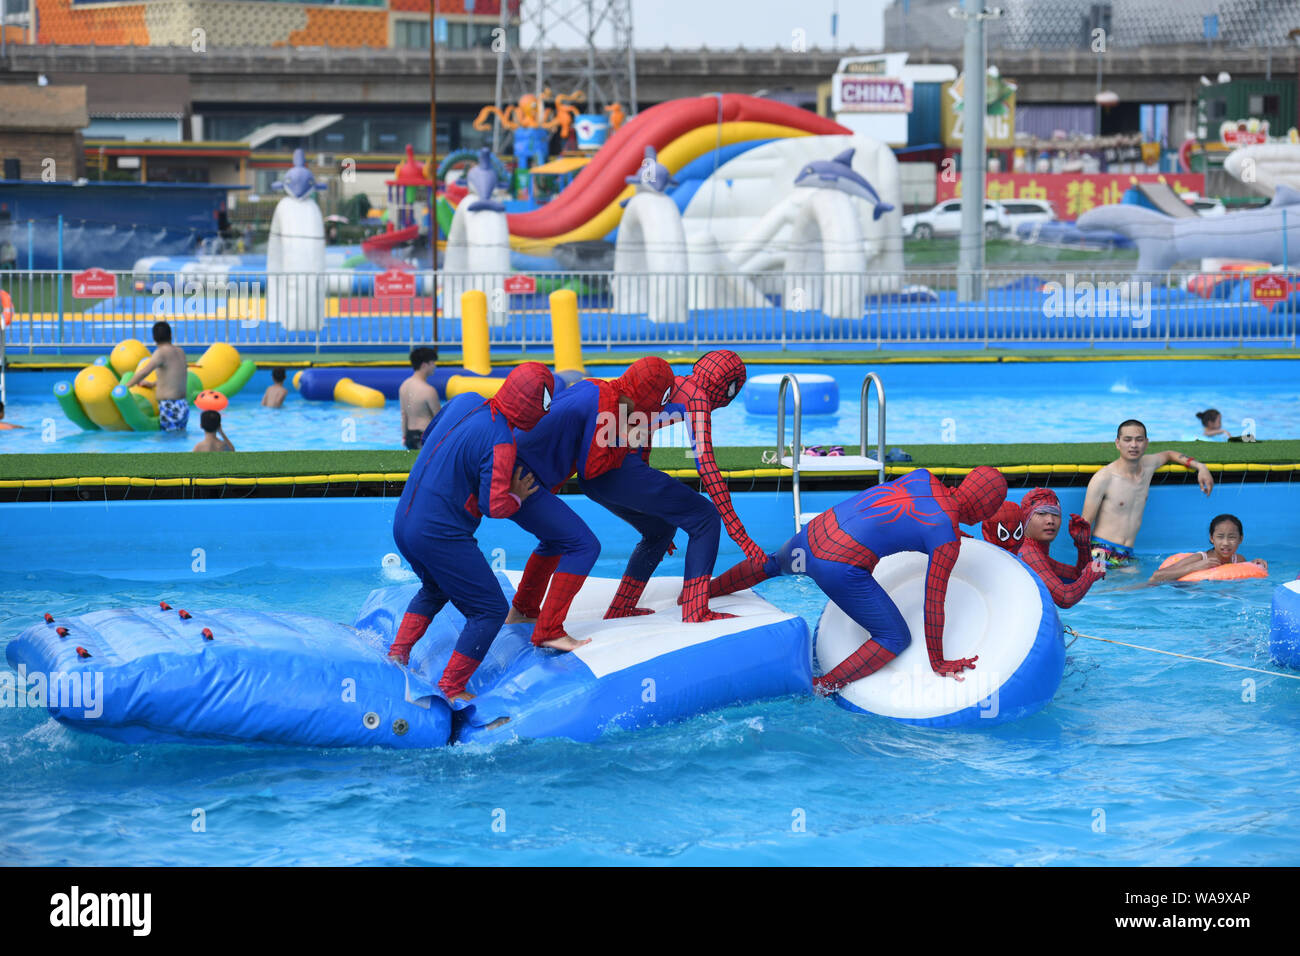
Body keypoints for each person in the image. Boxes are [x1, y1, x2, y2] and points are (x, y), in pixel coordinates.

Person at [710, 467, 1009, 690]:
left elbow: (902, 517)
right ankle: (821, 687)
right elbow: (933, 603)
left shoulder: (922, 477)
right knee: (895, 638)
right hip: (837, 564)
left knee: (771, 564)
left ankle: (706, 591)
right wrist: (939, 661)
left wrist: (943, 532)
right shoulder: (945, 538)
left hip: (814, 534)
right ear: (985, 509)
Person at [386, 362, 555, 702]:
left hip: (404, 520)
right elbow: (495, 506)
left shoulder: (466, 400)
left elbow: (430, 436)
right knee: (489, 610)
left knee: (435, 587)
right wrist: (516, 495)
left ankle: (396, 654)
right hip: (439, 534)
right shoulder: (501, 440)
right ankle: (451, 687)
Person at [503, 357, 678, 646]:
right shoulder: (607, 407)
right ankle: (549, 631)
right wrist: (626, 440)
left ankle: (523, 610)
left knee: (556, 540)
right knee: (584, 545)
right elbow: (592, 469)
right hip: (519, 478)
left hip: (515, 468)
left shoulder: (597, 388)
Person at [579, 350, 759, 622]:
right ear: (729, 388)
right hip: (617, 470)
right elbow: (707, 468)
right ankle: (695, 608)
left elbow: (639, 437)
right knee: (706, 517)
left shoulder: (668, 385)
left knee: (661, 530)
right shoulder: (697, 398)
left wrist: (656, 507)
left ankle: (621, 608)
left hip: (593, 476)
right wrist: (741, 536)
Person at [1081, 419, 1214, 568]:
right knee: (1107, 584)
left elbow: (1169, 454)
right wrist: (1085, 561)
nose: (1133, 445)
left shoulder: (1149, 465)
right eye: (1127, 440)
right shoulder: (1103, 478)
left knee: (1138, 582)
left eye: (1139, 440)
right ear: (1118, 443)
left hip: (1127, 553)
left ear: (1146, 443)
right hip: (1100, 551)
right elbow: (1084, 525)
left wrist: (1201, 467)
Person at [1016, 488, 1105, 608]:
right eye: (1041, 513)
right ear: (1025, 518)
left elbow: (1077, 576)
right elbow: (1065, 598)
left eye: (1055, 514)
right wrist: (1090, 574)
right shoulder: (1028, 552)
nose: (1050, 521)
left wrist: (1083, 545)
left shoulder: (1036, 552)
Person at [1148, 514, 1268, 584]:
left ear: (1240, 539)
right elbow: (1157, 576)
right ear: (1211, 538)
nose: (1226, 543)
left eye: (1232, 537)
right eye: (1220, 537)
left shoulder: (1239, 559)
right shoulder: (1200, 558)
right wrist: (1196, 567)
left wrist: (1254, 563)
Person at [125, 321, 189, 432]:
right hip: (183, 405)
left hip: (170, 406)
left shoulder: (160, 353)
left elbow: (144, 372)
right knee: (179, 436)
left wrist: (126, 386)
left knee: (168, 440)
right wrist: (152, 384)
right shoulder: (180, 351)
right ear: (171, 335)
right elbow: (174, 377)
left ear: (154, 338)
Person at [400, 346, 440, 450]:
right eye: (433, 363)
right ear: (424, 365)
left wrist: (404, 437)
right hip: (424, 437)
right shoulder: (429, 390)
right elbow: (439, 419)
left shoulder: (404, 386)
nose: (435, 366)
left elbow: (404, 414)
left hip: (409, 436)